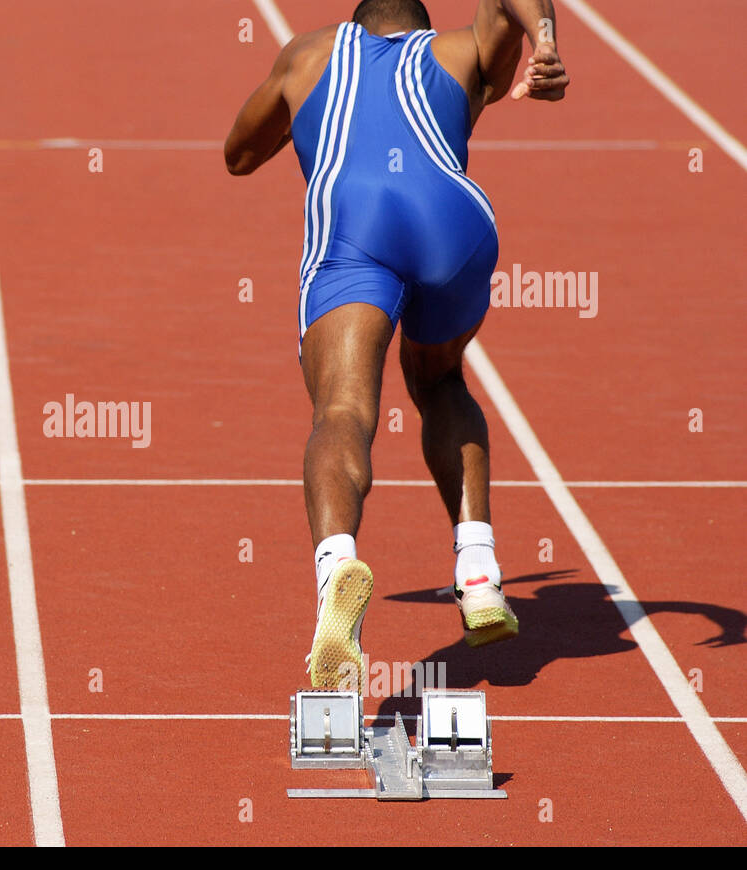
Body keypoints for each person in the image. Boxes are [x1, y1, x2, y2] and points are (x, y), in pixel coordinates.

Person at [224, 0, 569, 689]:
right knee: (442, 383)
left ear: (358, 23)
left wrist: (298, 123)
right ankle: (477, 571)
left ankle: (336, 573)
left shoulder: (309, 54)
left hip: (357, 221)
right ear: (419, 26)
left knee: (343, 413)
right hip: (453, 219)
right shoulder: (461, 54)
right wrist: (545, 42)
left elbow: (238, 153)